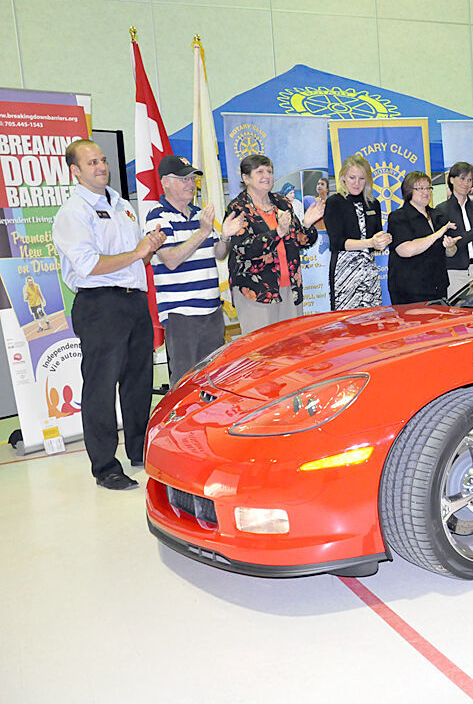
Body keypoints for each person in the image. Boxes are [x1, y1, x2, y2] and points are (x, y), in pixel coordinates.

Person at [52, 139, 166, 490]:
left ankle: (138, 450)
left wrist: (149, 248)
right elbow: (87, 267)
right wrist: (137, 253)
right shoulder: (73, 213)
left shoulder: (121, 205)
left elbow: (135, 257)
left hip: (133, 302)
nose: (101, 166)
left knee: (137, 381)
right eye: (91, 163)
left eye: (102, 160)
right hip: (100, 305)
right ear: (75, 171)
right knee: (101, 387)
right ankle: (105, 467)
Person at [147, 154, 244, 385]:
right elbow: (170, 260)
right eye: (184, 179)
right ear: (165, 182)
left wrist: (225, 236)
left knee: (215, 378)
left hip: (211, 311)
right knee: (185, 383)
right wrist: (201, 232)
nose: (191, 184)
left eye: (192, 179)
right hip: (182, 315)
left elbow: (219, 254)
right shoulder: (157, 217)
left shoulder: (200, 214)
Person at [226, 154, 321, 334]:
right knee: (262, 353)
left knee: (292, 347)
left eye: (269, 171)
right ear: (245, 178)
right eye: (260, 171)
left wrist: (308, 224)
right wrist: (277, 233)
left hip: (289, 286)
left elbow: (300, 241)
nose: (267, 175)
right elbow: (243, 249)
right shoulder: (238, 208)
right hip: (257, 291)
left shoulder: (282, 202)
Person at [323, 155, 392, 310]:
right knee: (346, 323)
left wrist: (383, 240)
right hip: (345, 270)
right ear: (343, 178)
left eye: (361, 178)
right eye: (352, 177)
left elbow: (376, 239)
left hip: (369, 270)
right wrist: (370, 242)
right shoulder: (335, 202)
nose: (356, 183)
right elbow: (337, 242)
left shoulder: (373, 204)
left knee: (371, 320)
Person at [387, 170, 460, 304]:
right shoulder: (399, 216)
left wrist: (450, 246)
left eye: (428, 188)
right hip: (410, 290)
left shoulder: (438, 215)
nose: (426, 192)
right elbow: (406, 250)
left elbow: (450, 252)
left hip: (438, 286)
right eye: (420, 188)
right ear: (408, 191)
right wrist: (437, 234)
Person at [434, 161, 473, 297]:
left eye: (470, 180)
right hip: (455, 271)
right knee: (458, 312)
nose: (466, 183)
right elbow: (449, 245)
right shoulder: (441, 210)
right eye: (462, 178)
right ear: (451, 180)